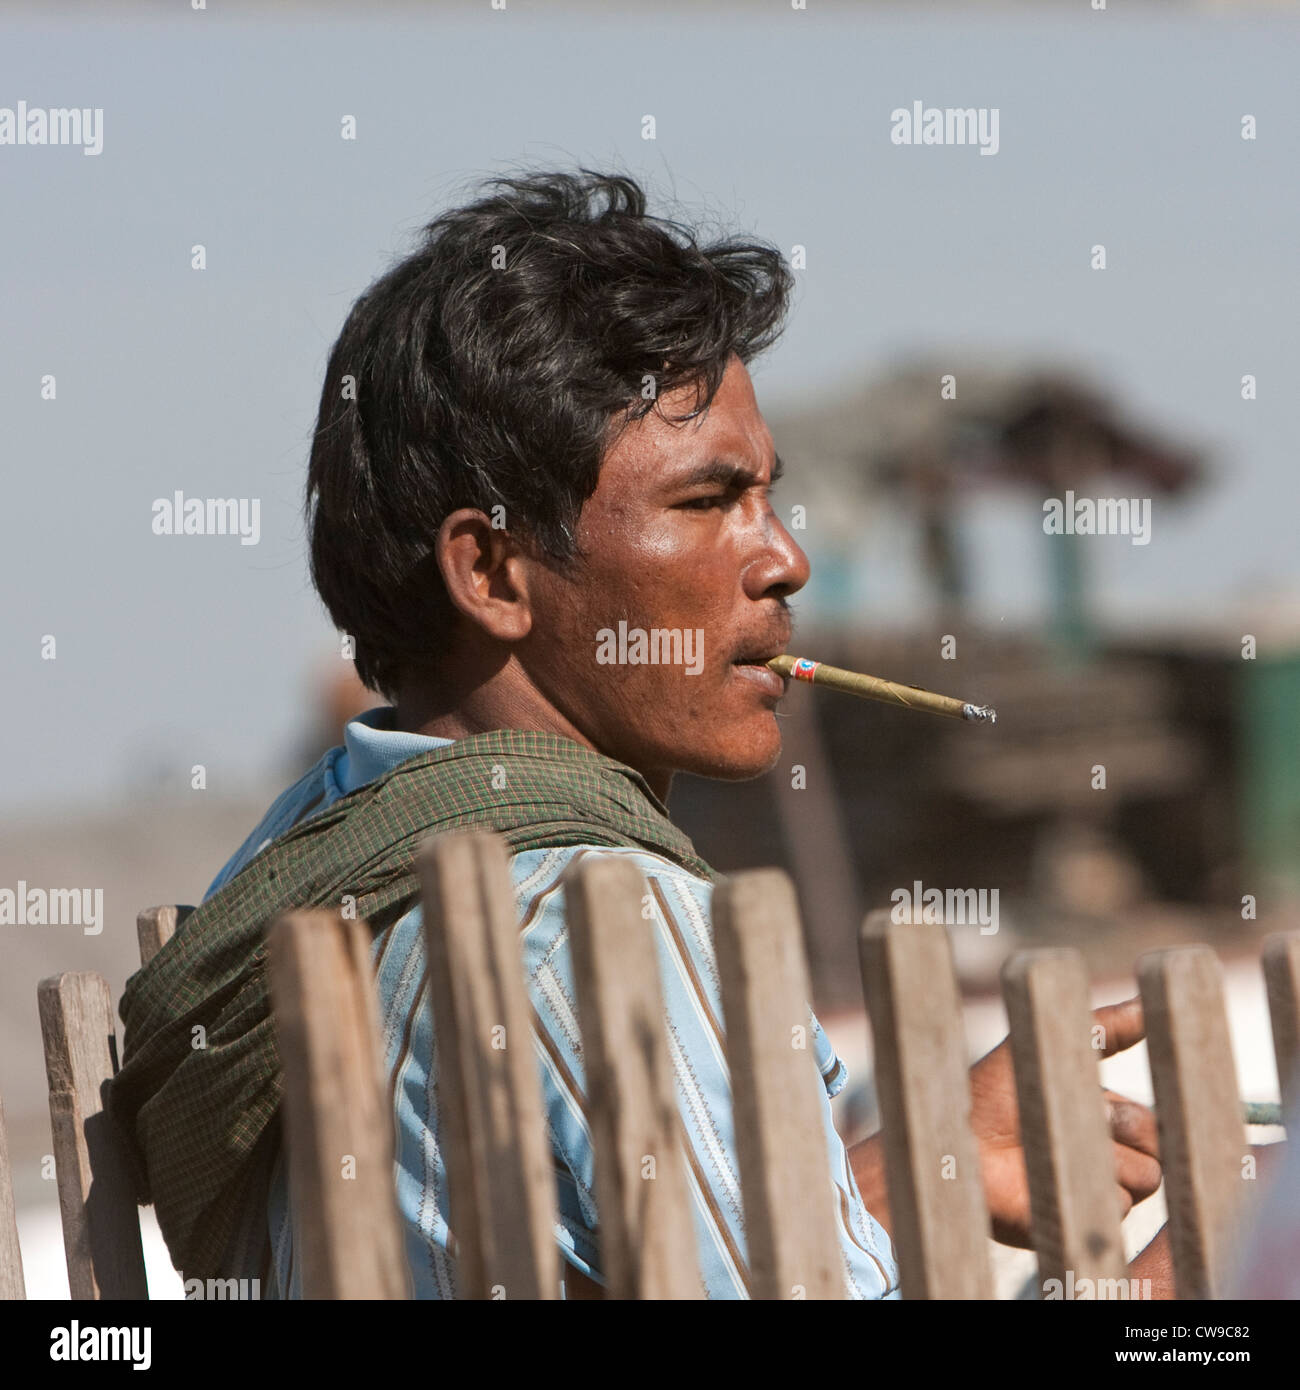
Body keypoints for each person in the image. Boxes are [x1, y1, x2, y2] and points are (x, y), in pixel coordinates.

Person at [109, 168, 1168, 1299]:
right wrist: (1183, 1284)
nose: (783, 559)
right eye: (708, 502)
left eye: (767, 495)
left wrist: (916, 1174)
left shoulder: (313, 850)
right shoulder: (601, 921)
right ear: (493, 571)